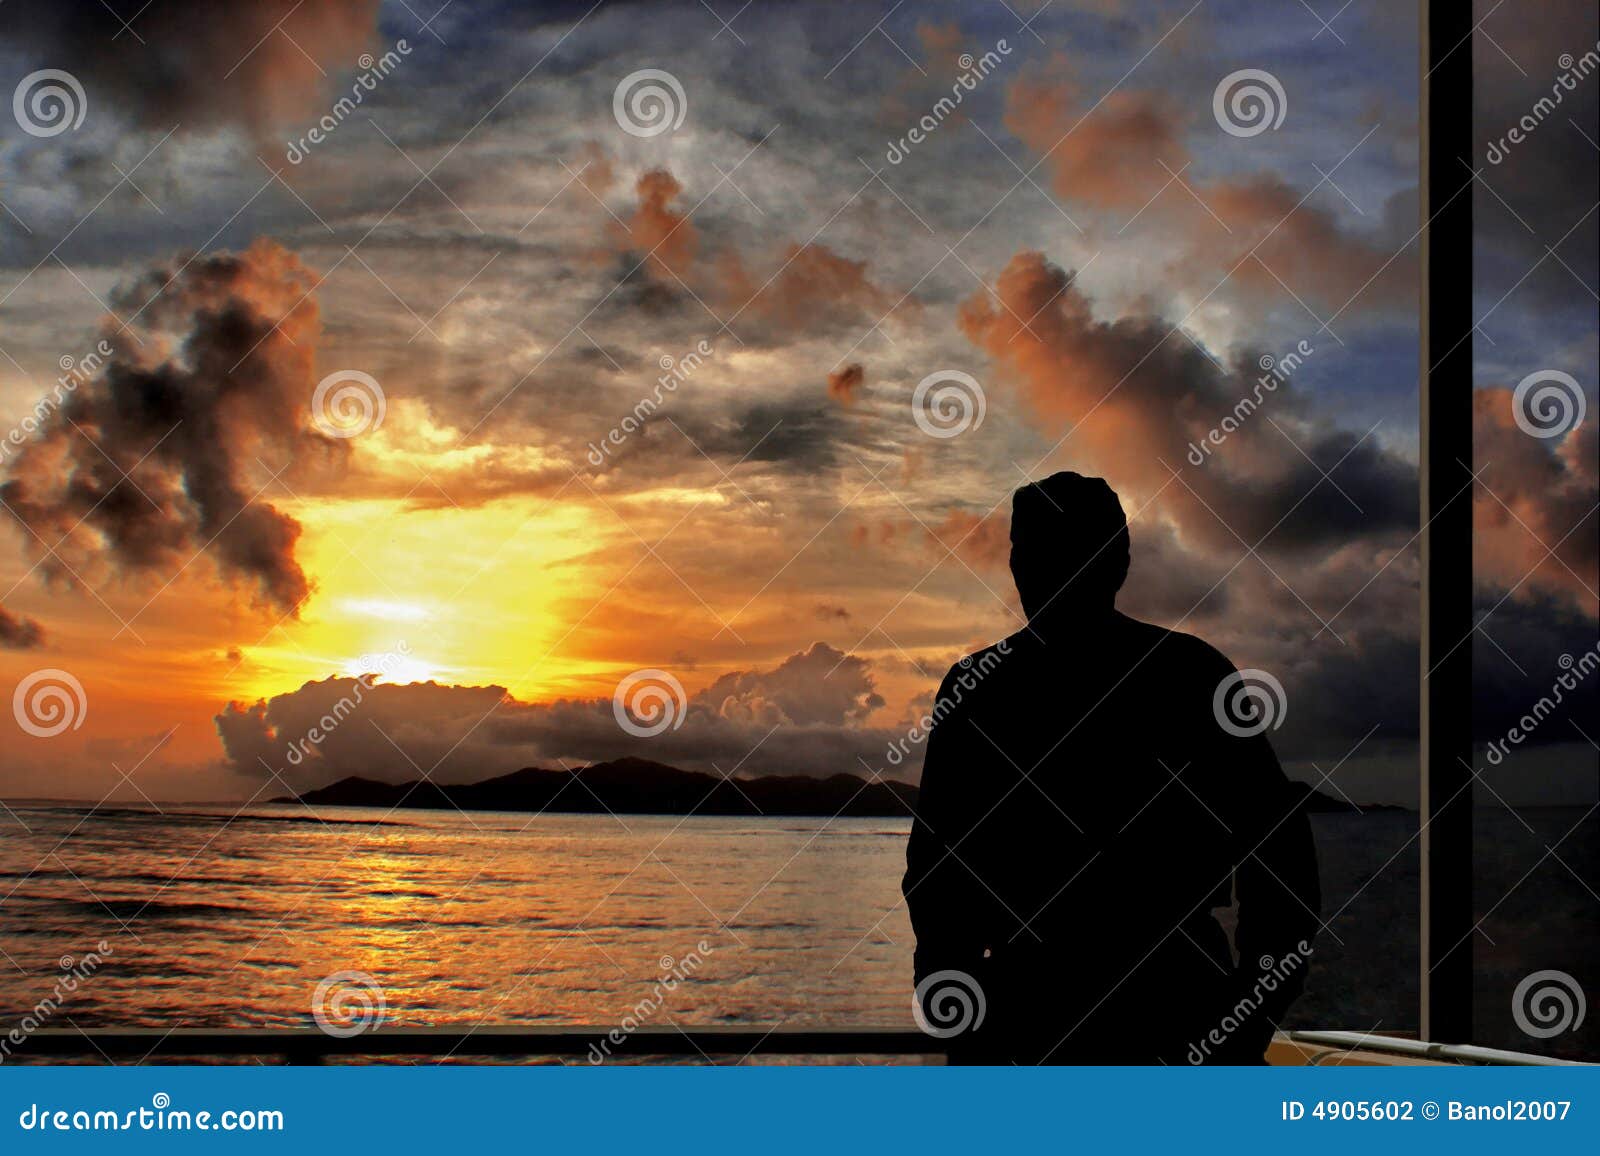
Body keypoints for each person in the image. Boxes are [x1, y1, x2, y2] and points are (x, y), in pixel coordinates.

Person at [903, 471, 1321, 1064]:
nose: (1032, 568)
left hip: (1050, 1021)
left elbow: (935, 876)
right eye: (1027, 551)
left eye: (1042, 551)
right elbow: (1283, 861)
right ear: (1120, 562)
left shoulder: (980, 690)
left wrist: (958, 1008)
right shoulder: (1195, 675)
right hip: (1164, 1016)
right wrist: (1247, 1015)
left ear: (1114, 562)